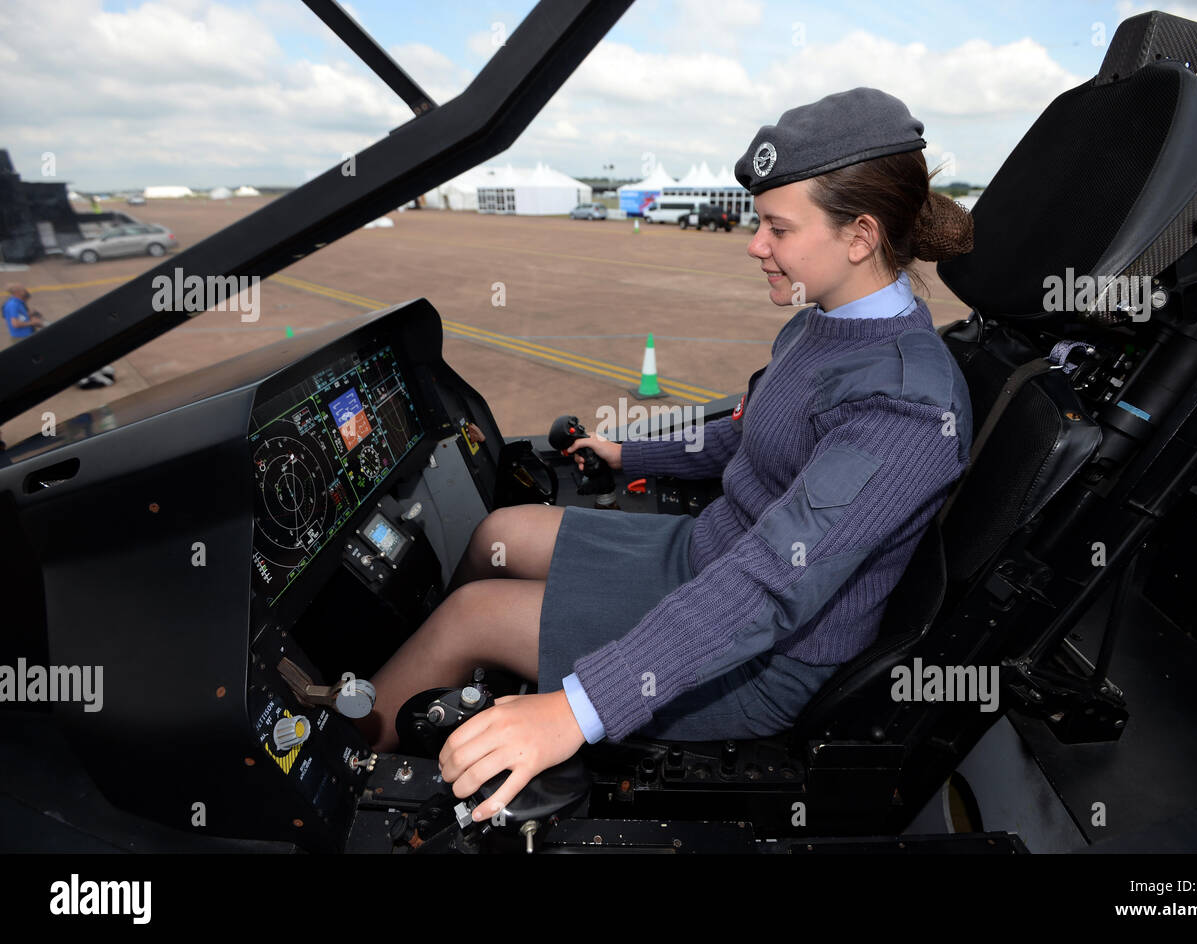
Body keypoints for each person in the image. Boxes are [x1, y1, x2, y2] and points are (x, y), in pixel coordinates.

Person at [361, 87, 976, 823]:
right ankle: (454, 690)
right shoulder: (822, 321)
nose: (755, 245)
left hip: (767, 653)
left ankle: (349, 776)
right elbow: (747, 431)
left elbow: (772, 585)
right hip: (706, 553)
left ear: (860, 236)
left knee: (470, 617)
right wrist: (628, 452)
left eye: (778, 228)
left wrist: (575, 711)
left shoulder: (905, 404)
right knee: (500, 532)